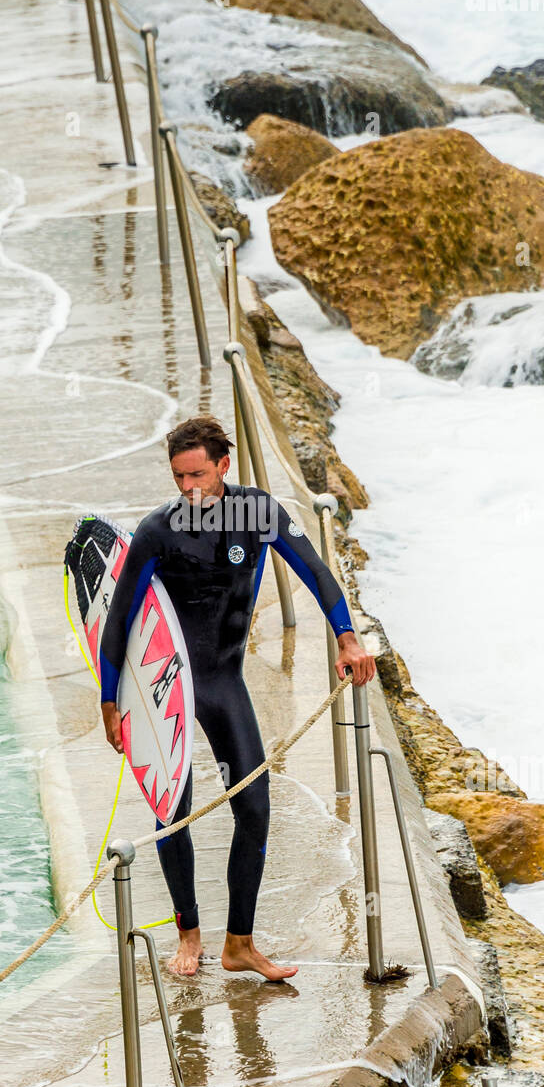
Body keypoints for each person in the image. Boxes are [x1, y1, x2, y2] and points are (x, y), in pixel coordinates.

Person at [99, 416, 374, 980]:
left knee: (253, 807)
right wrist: (109, 702)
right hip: (165, 687)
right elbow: (120, 619)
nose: (188, 488)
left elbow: (315, 571)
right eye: (179, 476)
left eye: (198, 474)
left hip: (224, 680)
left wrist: (346, 638)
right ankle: (189, 935)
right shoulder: (159, 531)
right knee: (172, 811)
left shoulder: (260, 513)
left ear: (223, 465)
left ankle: (239, 945)